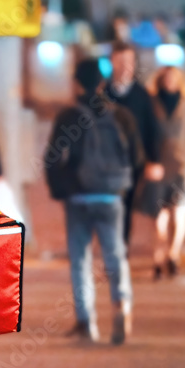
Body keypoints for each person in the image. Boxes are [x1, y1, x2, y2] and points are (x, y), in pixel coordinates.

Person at [44, 59, 144, 345]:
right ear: (102, 84)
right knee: (115, 255)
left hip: (79, 195)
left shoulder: (68, 115)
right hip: (111, 195)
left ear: (76, 83)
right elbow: (136, 158)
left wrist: (61, 190)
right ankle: (122, 303)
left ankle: (86, 321)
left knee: (80, 259)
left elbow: (52, 158)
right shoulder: (120, 115)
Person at [143, 66, 185, 280]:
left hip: (182, 165)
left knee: (179, 211)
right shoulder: (151, 101)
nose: (169, 81)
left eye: (173, 78)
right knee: (158, 215)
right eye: (166, 78)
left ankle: (174, 255)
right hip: (158, 164)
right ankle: (158, 258)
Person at [104, 42, 165, 249]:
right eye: (120, 61)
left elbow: (152, 129)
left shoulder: (142, 95)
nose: (124, 66)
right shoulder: (102, 93)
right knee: (107, 206)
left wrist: (154, 160)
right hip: (104, 162)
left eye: (129, 61)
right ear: (112, 62)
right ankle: (111, 246)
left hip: (132, 162)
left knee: (125, 206)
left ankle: (121, 248)